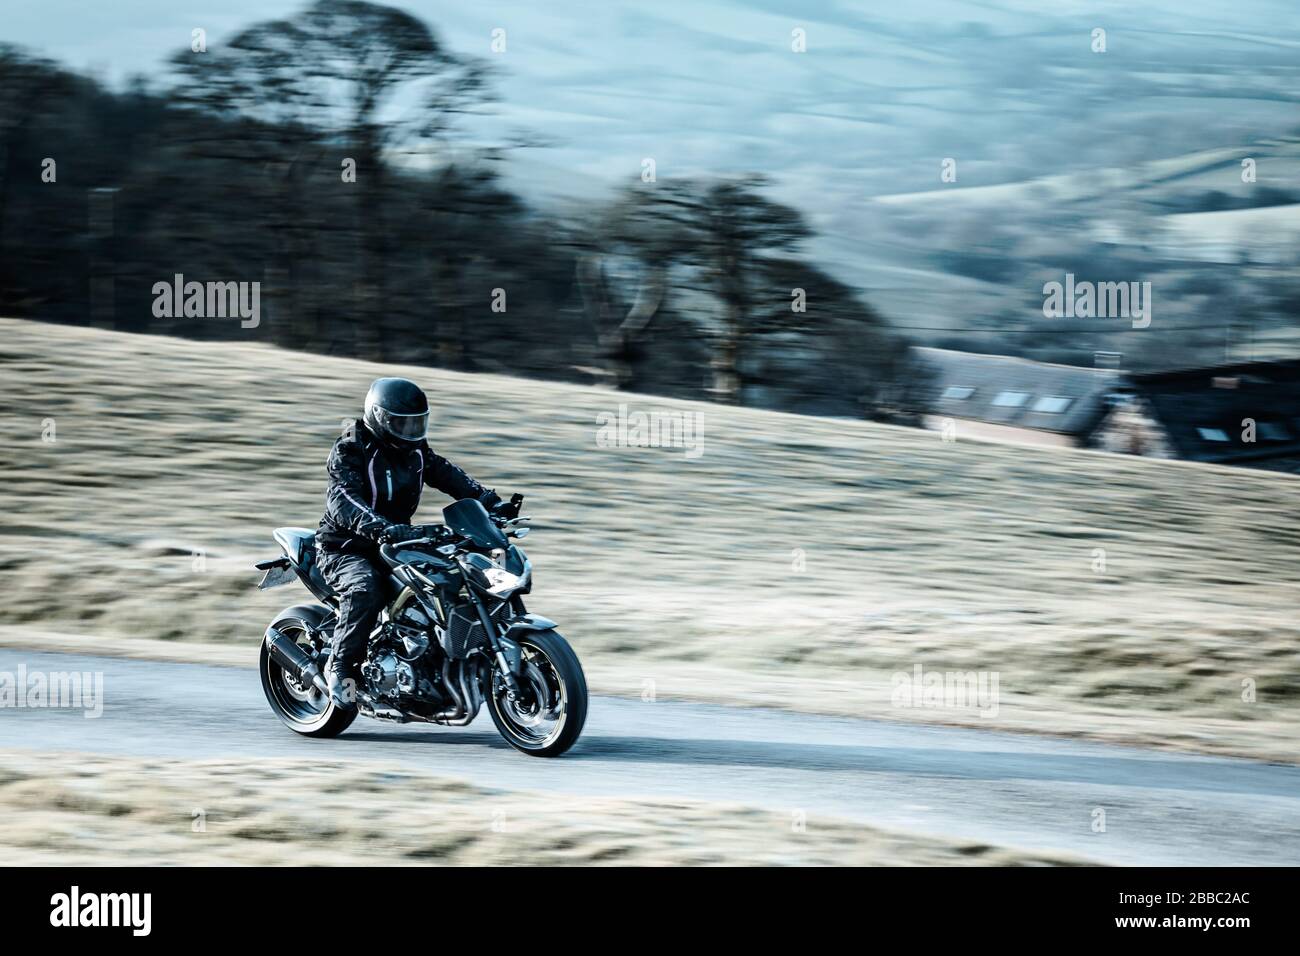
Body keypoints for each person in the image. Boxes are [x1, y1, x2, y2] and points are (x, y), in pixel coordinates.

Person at [316, 377, 503, 708]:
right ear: (379, 417)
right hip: (346, 547)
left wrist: (488, 501)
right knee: (364, 589)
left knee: (452, 578)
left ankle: (436, 662)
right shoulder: (351, 447)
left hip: (397, 542)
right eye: (402, 422)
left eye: (418, 422)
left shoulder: (416, 450)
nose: (411, 429)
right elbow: (343, 500)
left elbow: (449, 475)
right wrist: (381, 528)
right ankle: (340, 669)